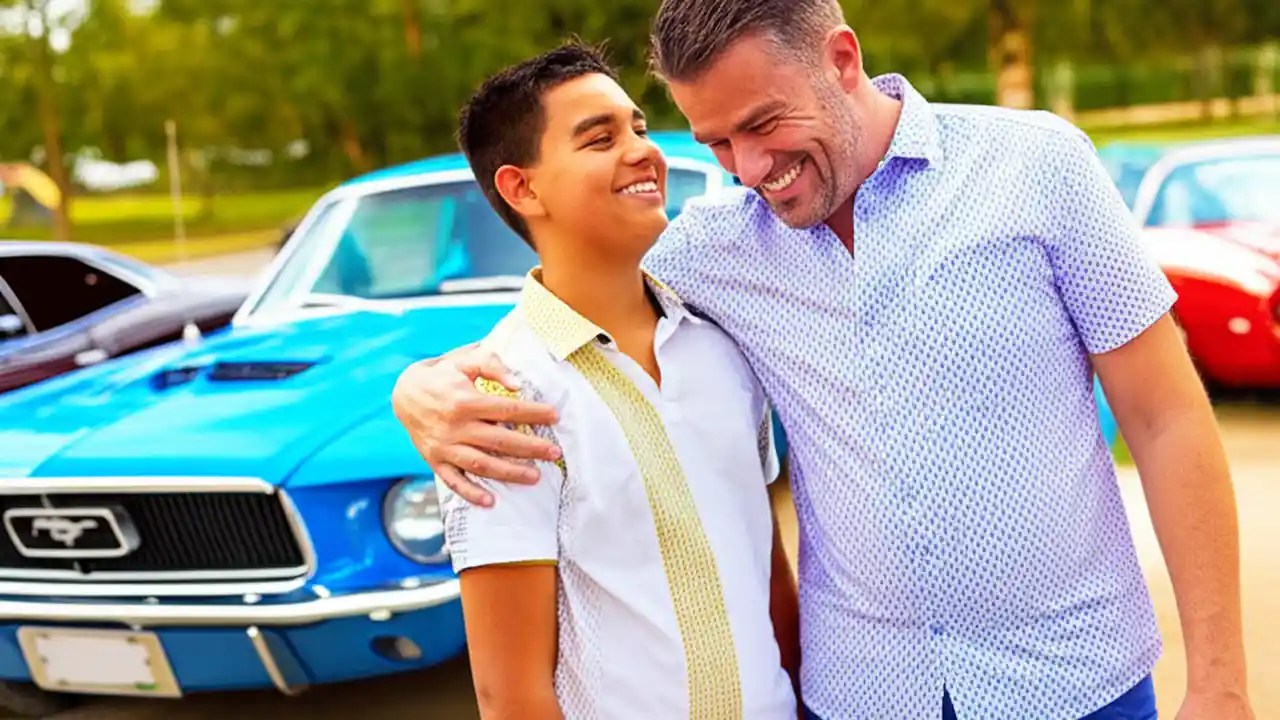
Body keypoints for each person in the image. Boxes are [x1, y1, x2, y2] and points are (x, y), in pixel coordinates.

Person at [392, 1, 1254, 718]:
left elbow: (1166, 416)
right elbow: (567, 303)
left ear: (842, 59)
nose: (751, 169)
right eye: (717, 143)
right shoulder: (709, 252)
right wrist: (418, 390)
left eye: (764, 124)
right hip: (861, 697)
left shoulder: (1037, 166)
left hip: (1076, 683)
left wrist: (1218, 681)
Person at [435, 43, 800, 719]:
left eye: (636, 127)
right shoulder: (501, 400)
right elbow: (510, 693)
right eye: (599, 138)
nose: (642, 151)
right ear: (523, 187)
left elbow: (769, 575)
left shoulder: (723, 346)